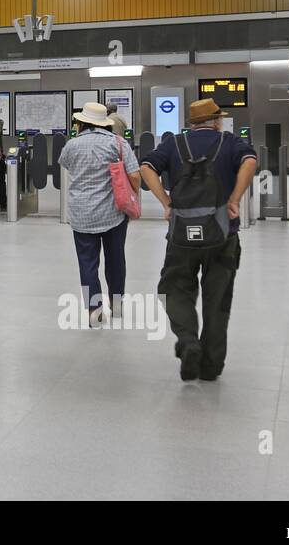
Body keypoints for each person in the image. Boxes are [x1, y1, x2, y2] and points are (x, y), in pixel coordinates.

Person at [140, 98, 257, 382]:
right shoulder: (228, 142)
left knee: (174, 288)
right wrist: (234, 199)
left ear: (192, 123)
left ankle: (189, 340)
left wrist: (166, 201)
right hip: (222, 233)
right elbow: (250, 161)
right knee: (218, 300)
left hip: (181, 235)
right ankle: (211, 365)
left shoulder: (174, 144)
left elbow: (146, 167)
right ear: (216, 121)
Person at [59, 102, 141, 326]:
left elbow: (66, 165)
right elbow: (135, 175)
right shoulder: (118, 143)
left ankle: (94, 312)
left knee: (87, 264)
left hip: (81, 214)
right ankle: (116, 304)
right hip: (112, 213)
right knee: (116, 260)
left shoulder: (72, 146)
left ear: (82, 123)